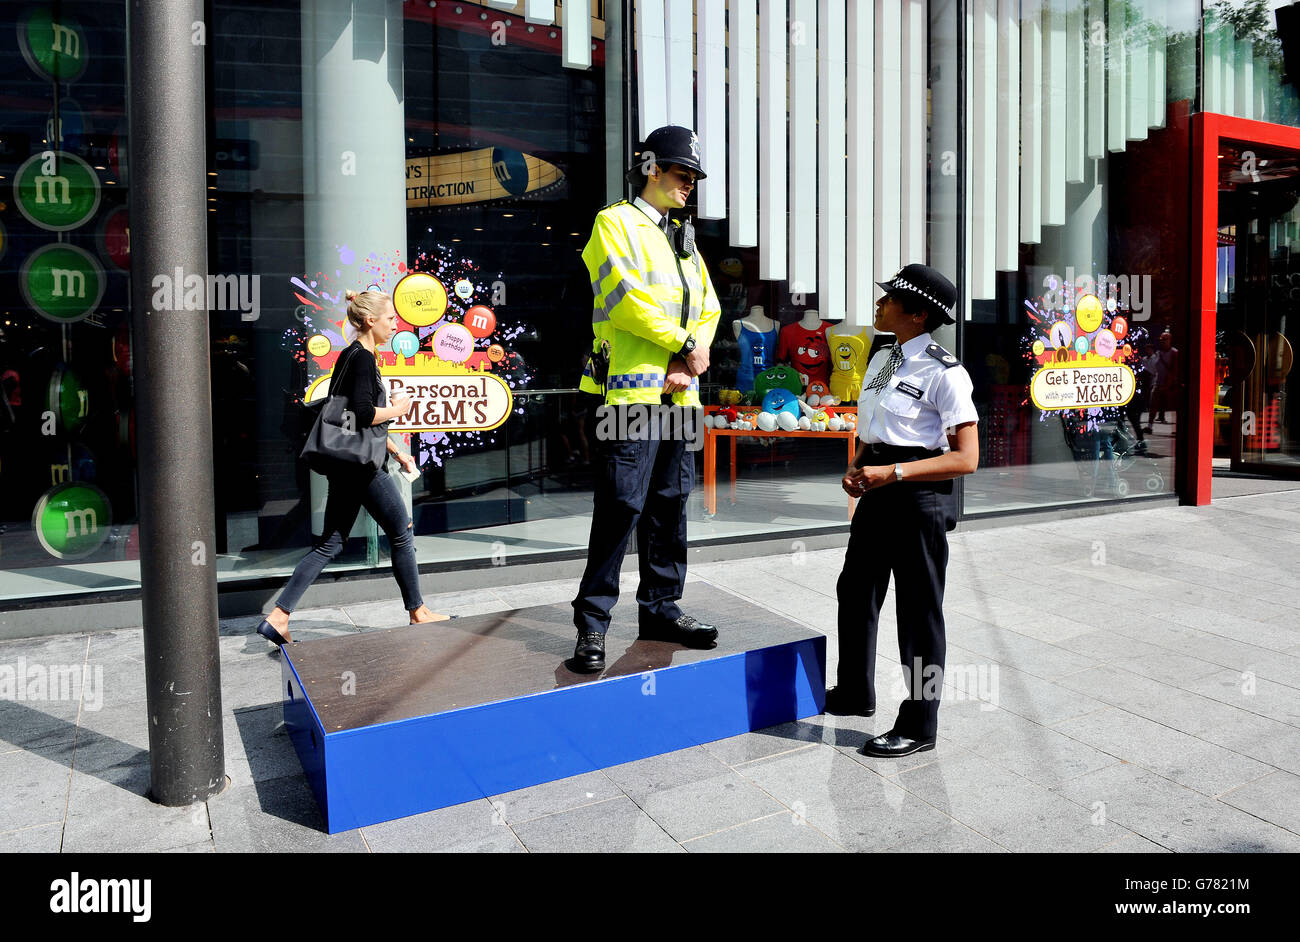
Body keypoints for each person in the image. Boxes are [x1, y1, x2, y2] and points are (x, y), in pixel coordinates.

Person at [569, 125, 722, 673]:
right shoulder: (613, 223)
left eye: (693, 178)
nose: (689, 185)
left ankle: (661, 608)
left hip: (680, 397)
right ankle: (592, 623)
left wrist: (689, 355)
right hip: (628, 392)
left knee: (669, 507)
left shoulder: (683, 237)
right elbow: (626, 300)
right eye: (683, 174)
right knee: (620, 507)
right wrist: (681, 346)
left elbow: (708, 305)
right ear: (651, 167)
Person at [823, 264, 979, 758]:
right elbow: (876, 429)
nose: (879, 303)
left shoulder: (944, 371)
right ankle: (854, 692)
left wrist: (892, 474)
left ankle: (920, 723)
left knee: (919, 614)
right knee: (856, 590)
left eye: (890, 299)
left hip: (918, 496)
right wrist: (859, 464)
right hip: (877, 487)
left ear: (917, 313)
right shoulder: (882, 356)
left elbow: (966, 459)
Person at [256, 289, 446, 644]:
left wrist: (396, 450)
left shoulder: (348, 355)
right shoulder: (363, 359)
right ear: (371, 321)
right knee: (402, 531)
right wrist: (399, 411)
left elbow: (348, 419)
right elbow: (363, 413)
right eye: (390, 319)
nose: (395, 325)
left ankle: (279, 616)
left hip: (346, 463)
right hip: (361, 468)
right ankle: (418, 612)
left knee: (329, 543)